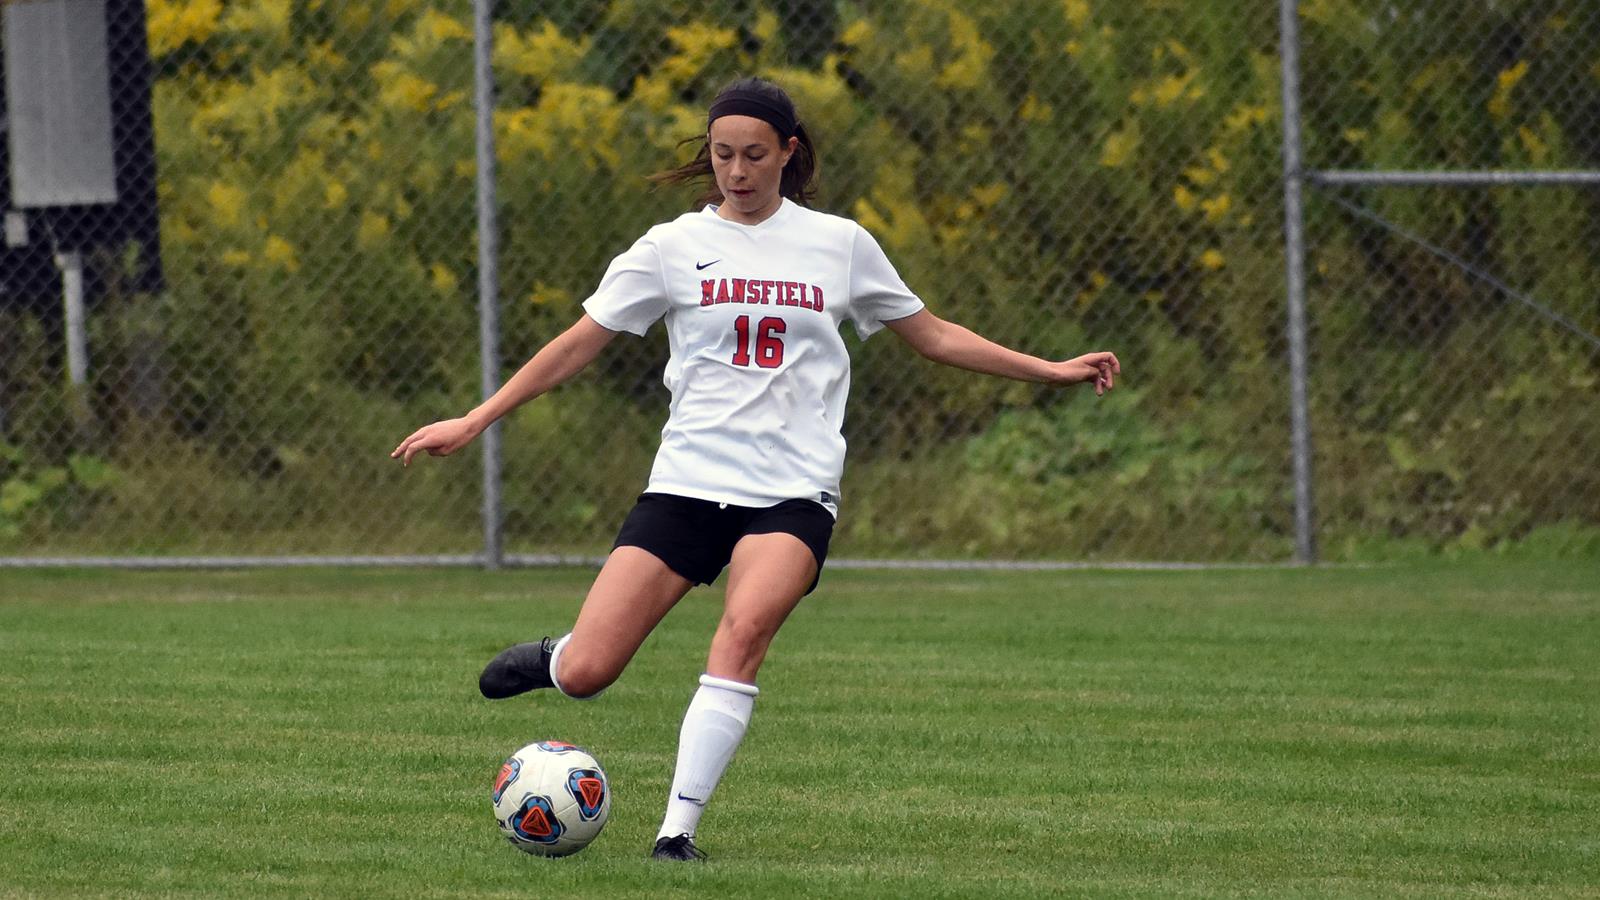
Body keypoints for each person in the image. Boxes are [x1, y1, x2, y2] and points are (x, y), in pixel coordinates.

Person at [391, 76, 1120, 862]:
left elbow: (934, 335)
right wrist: (475, 419)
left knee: (741, 635)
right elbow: (576, 344)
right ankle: (556, 660)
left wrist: (1050, 370)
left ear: (788, 153)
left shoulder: (839, 244)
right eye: (722, 155)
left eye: (754, 155)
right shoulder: (671, 248)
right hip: (688, 485)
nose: (736, 172)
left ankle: (676, 835)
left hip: (792, 492)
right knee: (595, 670)